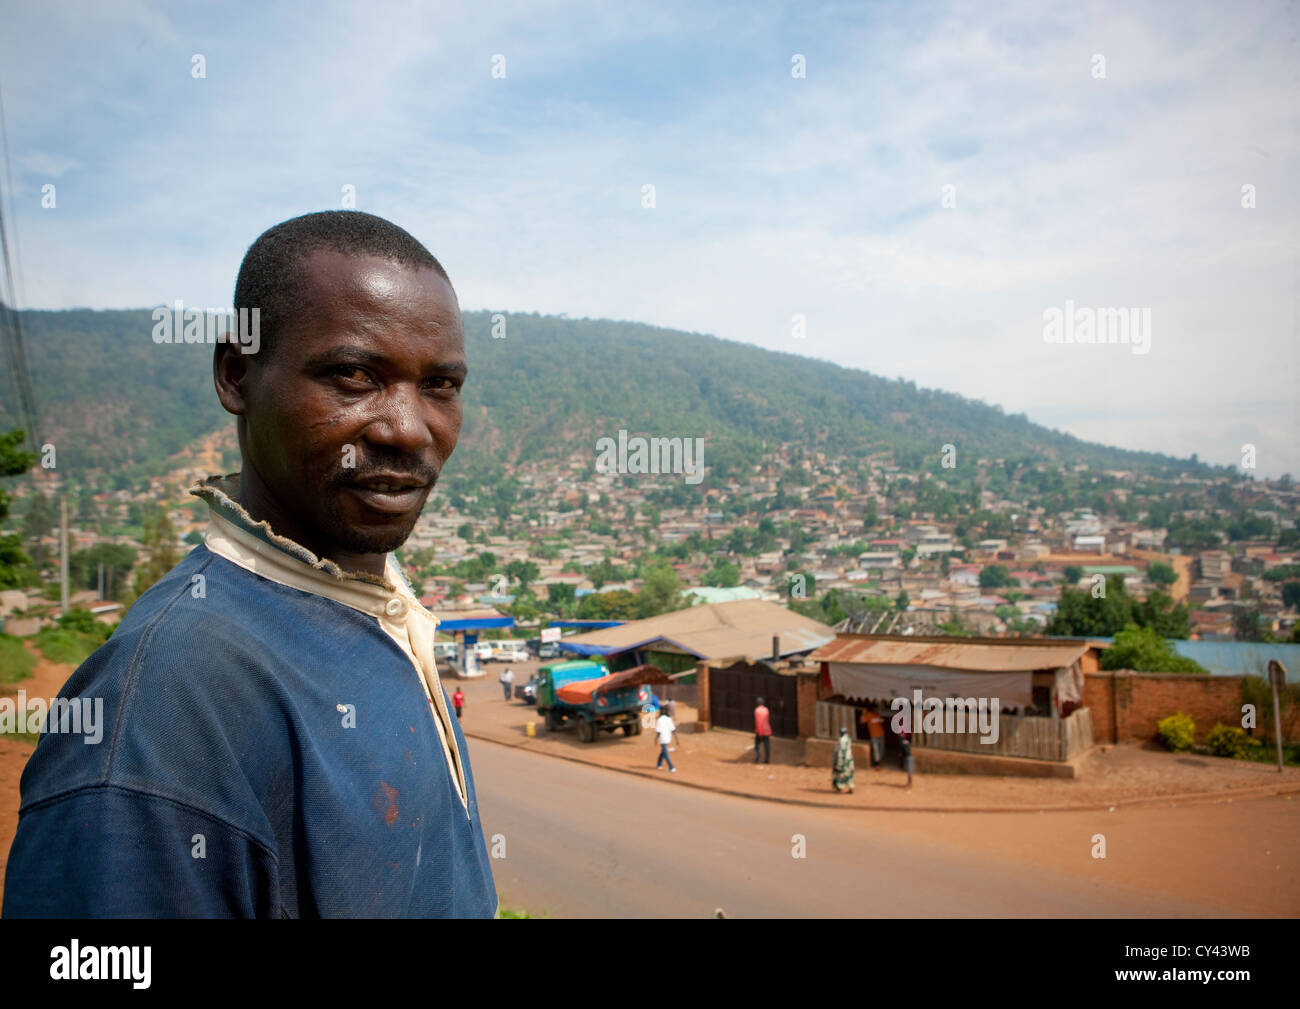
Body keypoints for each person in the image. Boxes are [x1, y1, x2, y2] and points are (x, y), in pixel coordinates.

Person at [3, 211, 497, 918]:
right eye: (354, 374)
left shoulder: (373, 607)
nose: (408, 427)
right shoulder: (164, 705)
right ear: (237, 375)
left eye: (441, 386)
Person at [832, 727, 856, 793]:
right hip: (849, 758)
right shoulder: (848, 739)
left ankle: (839, 787)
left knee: (840, 773)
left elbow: (841, 750)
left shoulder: (840, 740)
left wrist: (838, 760)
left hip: (842, 758)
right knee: (849, 773)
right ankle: (851, 787)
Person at [655, 708, 678, 772]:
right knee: (663, 751)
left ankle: (671, 767)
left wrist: (655, 740)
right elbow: (673, 730)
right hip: (668, 738)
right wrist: (676, 739)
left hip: (662, 739)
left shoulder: (659, 720)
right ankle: (659, 764)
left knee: (665, 753)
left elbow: (658, 731)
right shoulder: (669, 719)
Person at [753, 696, 772, 764]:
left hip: (760, 730)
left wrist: (760, 732)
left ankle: (757, 757)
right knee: (767, 745)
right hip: (767, 730)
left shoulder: (757, 710)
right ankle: (767, 759)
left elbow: (759, 722)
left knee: (757, 745)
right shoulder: (766, 709)